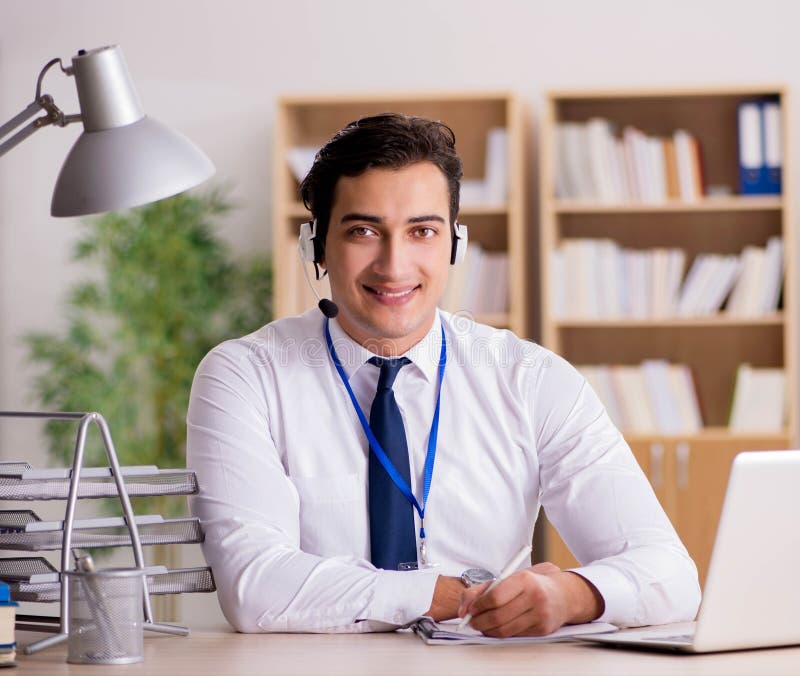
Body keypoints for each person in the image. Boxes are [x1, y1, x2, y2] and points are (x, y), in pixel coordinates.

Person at [187, 113, 700, 636]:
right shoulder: (244, 376)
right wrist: (440, 595)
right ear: (316, 247)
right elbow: (254, 587)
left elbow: (673, 576)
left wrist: (575, 594)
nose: (394, 264)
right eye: (363, 231)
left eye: (422, 231)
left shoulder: (532, 380)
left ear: (455, 245)